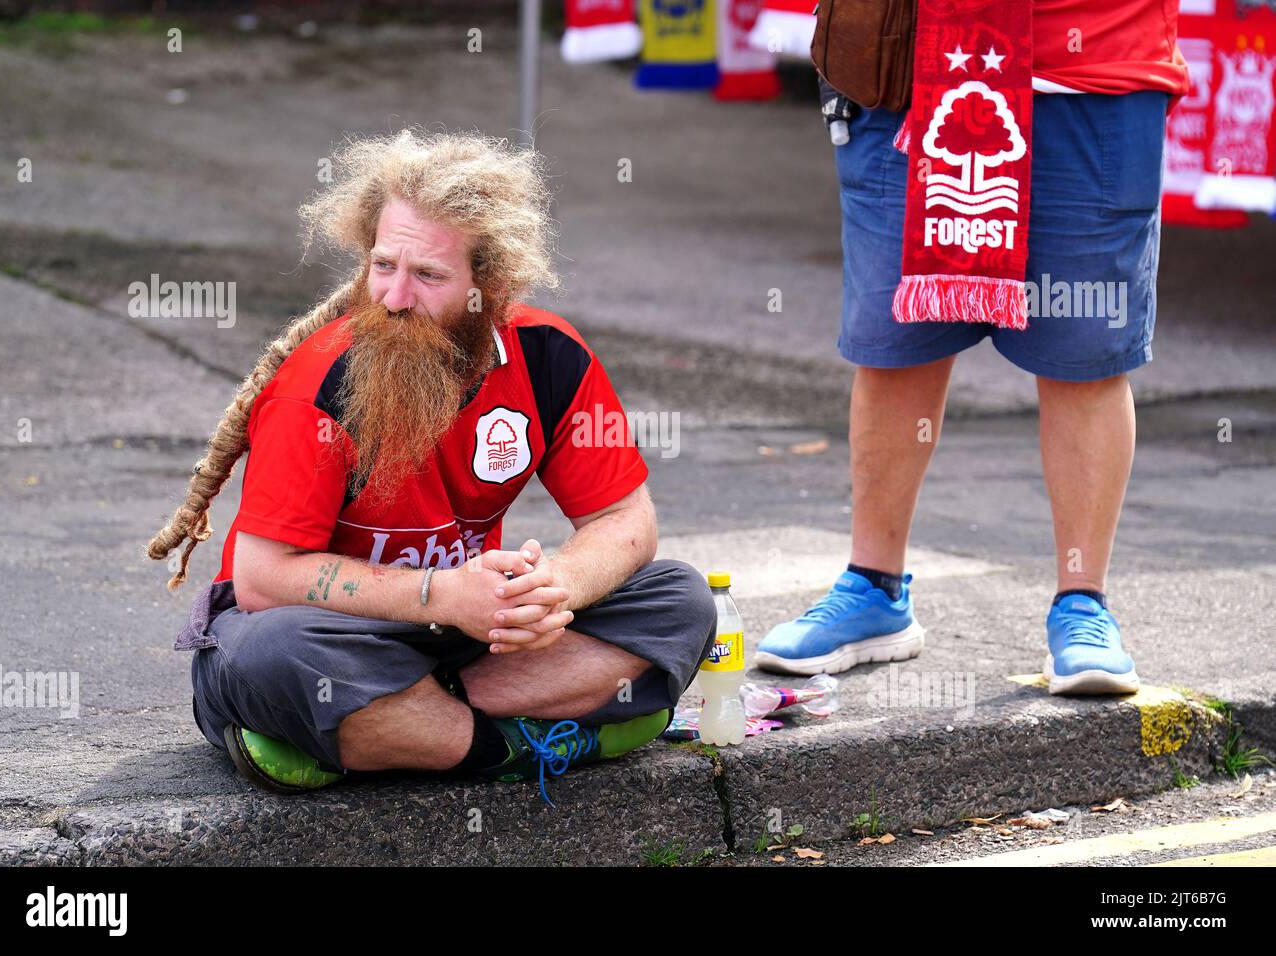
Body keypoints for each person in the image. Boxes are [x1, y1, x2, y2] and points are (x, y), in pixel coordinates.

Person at [148, 129, 716, 804]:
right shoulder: (317, 386)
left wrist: (554, 588)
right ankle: (511, 746)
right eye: (383, 265)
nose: (392, 298)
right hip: (323, 632)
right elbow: (265, 579)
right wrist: (437, 595)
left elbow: (625, 518)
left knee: (679, 599)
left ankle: (388, 729)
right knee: (276, 658)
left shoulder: (549, 357)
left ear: (494, 287)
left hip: (466, 641)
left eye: (429, 276)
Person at [757, 2, 1193, 695]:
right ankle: (874, 587)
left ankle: (1083, 602)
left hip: (1091, 64)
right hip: (909, 59)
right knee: (895, 344)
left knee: (1086, 354)